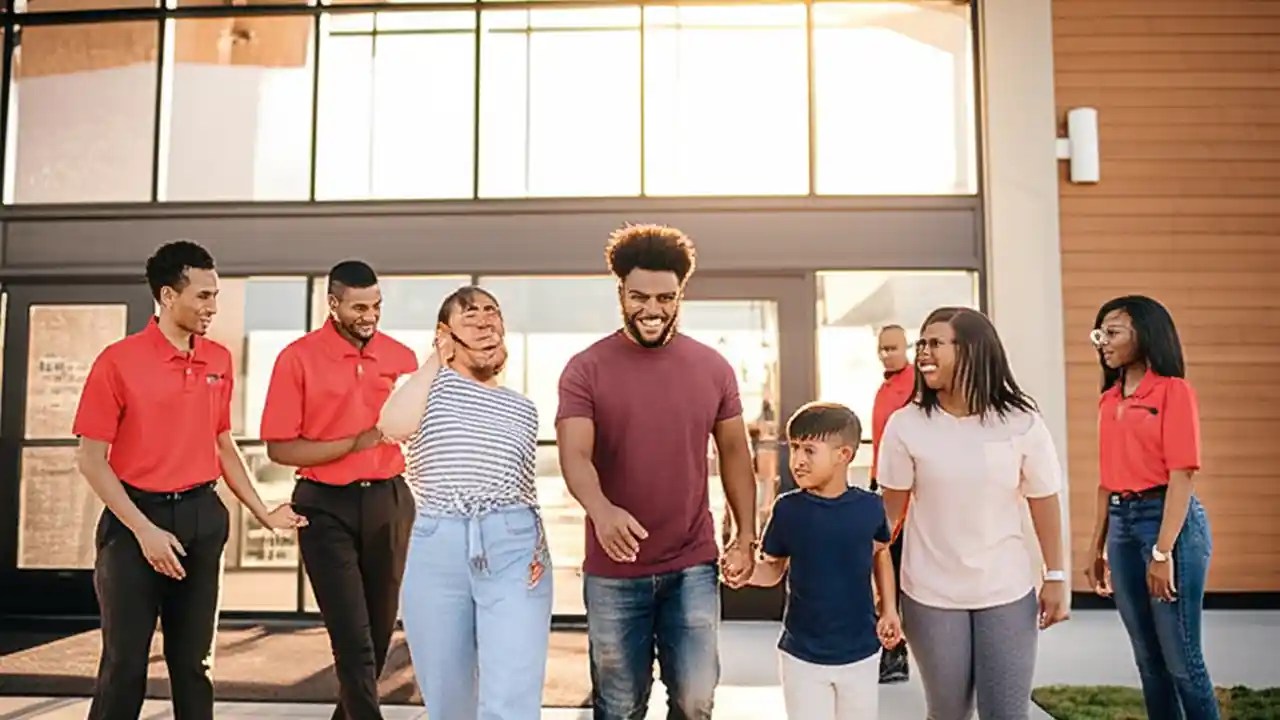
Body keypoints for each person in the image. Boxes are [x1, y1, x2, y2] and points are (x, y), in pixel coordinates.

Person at [72, 240, 305, 720]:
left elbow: (222, 442)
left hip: (201, 516)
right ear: (166, 296)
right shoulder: (117, 361)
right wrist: (143, 530)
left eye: (215, 296)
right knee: (125, 665)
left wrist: (262, 512)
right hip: (135, 522)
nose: (212, 307)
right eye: (202, 296)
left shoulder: (218, 360)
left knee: (195, 665)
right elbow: (92, 460)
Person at [555, 223, 758, 720]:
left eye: (665, 297)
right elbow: (574, 454)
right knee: (620, 706)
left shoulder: (713, 367)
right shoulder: (585, 368)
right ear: (620, 292)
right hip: (614, 571)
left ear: (680, 294)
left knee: (695, 702)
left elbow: (735, 451)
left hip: (691, 561)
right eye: (638, 296)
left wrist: (745, 535)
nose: (652, 309)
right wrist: (601, 511)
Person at [876, 306, 1069, 720]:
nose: (923, 353)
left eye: (935, 343)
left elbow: (1045, 501)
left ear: (972, 351)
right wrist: (862, 576)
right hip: (929, 592)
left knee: (1006, 713)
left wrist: (1056, 576)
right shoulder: (905, 425)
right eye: (921, 343)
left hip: (1005, 589)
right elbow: (887, 518)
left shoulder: (1021, 423)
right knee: (948, 713)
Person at [378, 287, 552, 720]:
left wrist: (536, 550)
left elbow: (524, 487)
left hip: (511, 541)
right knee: (448, 699)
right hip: (437, 541)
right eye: (470, 316)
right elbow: (392, 425)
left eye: (492, 313)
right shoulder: (425, 390)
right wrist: (437, 357)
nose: (485, 322)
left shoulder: (522, 408)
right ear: (445, 332)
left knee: (511, 695)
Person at [260, 260, 418, 720]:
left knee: (378, 633)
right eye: (359, 306)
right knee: (352, 638)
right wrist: (353, 443)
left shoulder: (401, 357)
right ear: (333, 304)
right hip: (324, 507)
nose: (369, 315)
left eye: (376, 306)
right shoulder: (298, 357)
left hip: (390, 499)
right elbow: (280, 448)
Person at [1084, 295, 1219, 720]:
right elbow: (1107, 480)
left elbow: (1182, 476)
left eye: (1113, 332)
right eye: (1099, 333)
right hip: (1122, 527)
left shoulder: (1173, 391)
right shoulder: (1108, 400)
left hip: (1167, 524)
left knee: (1182, 661)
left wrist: (1163, 552)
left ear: (1145, 334)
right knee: (1147, 659)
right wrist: (1096, 546)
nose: (1103, 342)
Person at [748, 401, 903, 720]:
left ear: (843, 455)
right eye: (794, 448)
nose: (798, 461)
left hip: (860, 652)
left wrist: (889, 610)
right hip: (801, 656)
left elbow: (881, 552)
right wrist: (742, 571)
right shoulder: (787, 510)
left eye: (809, 450)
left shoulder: (869, 507)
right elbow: (772, 570)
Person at [868, 323, 915, 684]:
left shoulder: (917, 386)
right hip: (880, 484)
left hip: (908, 495)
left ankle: (896, 652)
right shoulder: (884, 389)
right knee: (884, 574)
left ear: (907, 347)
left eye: (893, 348)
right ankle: (891, 650)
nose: (888, 354)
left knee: (896, 574)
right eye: (883, 348)